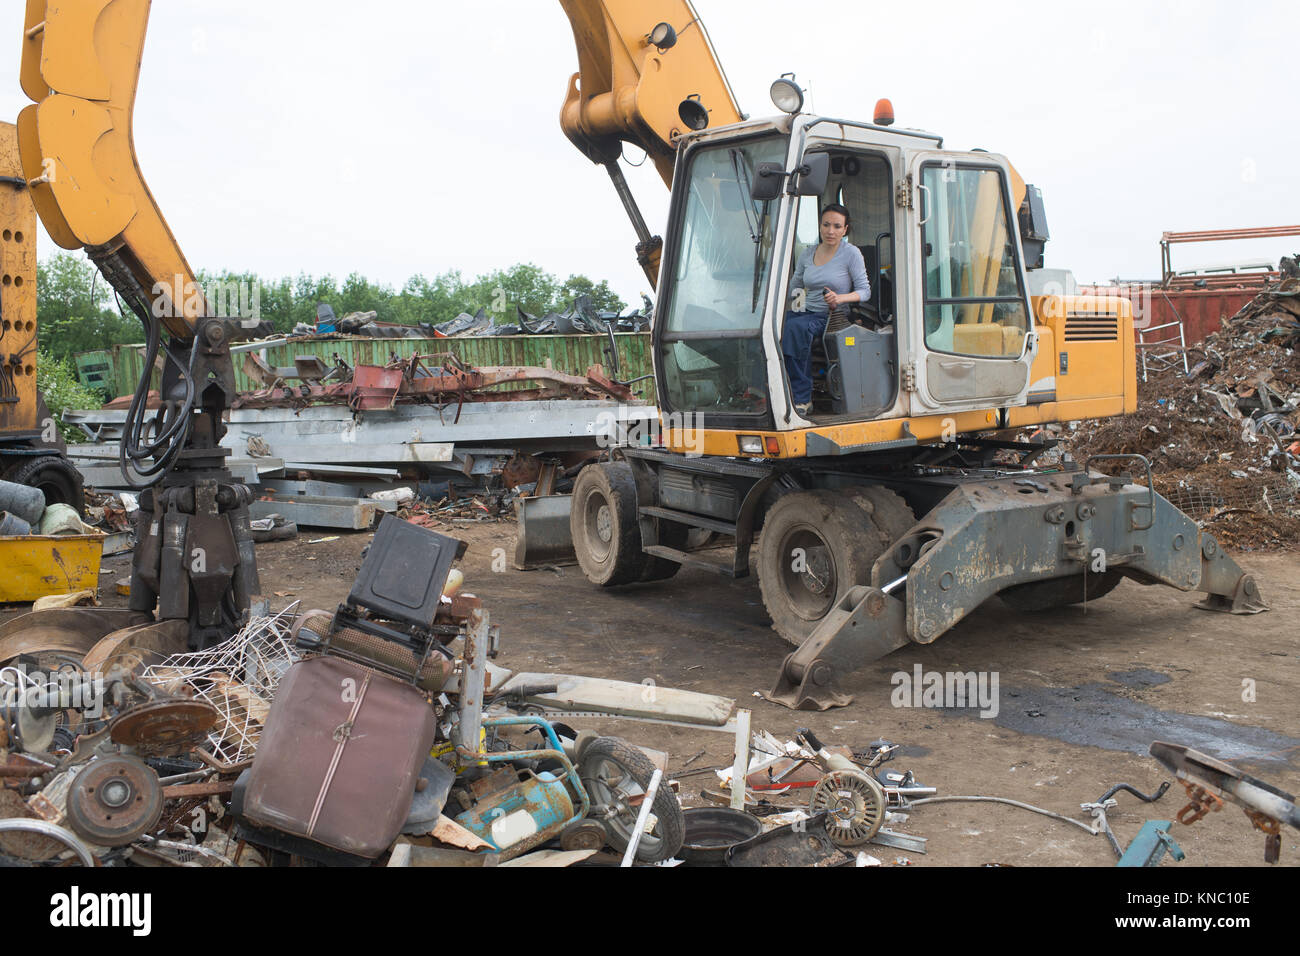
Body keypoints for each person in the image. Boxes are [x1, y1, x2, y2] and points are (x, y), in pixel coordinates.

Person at [782, 203, 871, 415]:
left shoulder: (851, 254)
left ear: (845, 229)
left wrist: (839, 298)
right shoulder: (807, 253)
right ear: (820, 226)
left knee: (795, 329)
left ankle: (803, 398)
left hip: (833, 315)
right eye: (826, 225)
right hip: (806, 311)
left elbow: (864, 291)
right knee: (775, 326)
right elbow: (795, 285)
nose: (831, 231)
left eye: (837, 226)